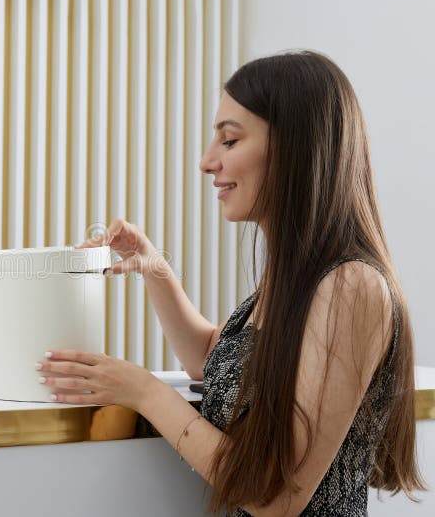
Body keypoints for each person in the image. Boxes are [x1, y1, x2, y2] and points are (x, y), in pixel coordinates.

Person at [37, 51, 423, 515]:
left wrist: (144, 391)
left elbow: (276, 496)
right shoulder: (293, 282)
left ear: (295, 148)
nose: (206, 162)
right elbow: (215, 361)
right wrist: (154, 268)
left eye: (230, 140)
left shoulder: (351, 287)